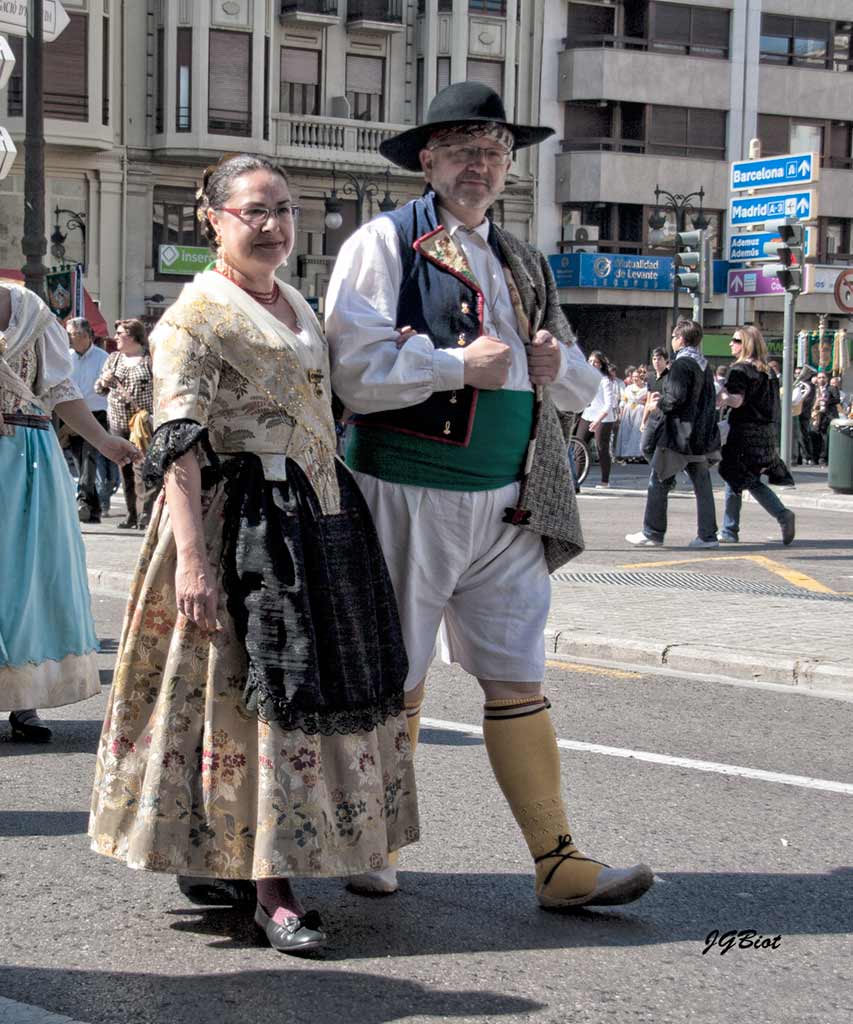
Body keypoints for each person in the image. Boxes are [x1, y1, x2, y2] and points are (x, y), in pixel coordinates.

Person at [326, 81, 654, 911]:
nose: (479, 163)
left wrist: (559, 370)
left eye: (494, 150)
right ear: (427, 159)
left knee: (516, 674)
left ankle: (558, 860)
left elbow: (586, 391)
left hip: (513, 499)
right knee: (394, 675)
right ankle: (376, 838)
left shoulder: (522, 259)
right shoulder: (383, 242)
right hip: (406, 485)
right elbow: (351, 368)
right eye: (462, 149)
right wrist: (452, 366)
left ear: (508, 165)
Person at [88, 154, 418, 956]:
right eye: (253, 212)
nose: (272, 225)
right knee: (260, 695)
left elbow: (309, 396)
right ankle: (273, 889)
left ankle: (230, 858)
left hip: (317, 517)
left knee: (300, 687)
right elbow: (178, 444)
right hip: (241, 527)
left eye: (283, 208)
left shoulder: (294, 301)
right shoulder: (193, 318)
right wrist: (195, 565)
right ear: (213, 218)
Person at [1, 281, 138, 743]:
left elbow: (59, 390)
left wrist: (103, 441)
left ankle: (24, 696)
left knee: (27, 579)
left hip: (25, 456)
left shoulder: (29, 310)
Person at [626, 319, 721, 549]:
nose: (672, 340)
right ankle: (708, 536)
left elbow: (676, 398)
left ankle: (653, 532)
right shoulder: (704, 365)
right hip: (697, 434)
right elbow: (710, 401)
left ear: (680, 338)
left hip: (677, 434)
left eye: (674, 336)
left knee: (658, 479)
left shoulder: (681, 364)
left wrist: (660, 404)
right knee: (702, 484)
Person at [717, 326, 795, 545]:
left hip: (743, 433)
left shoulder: (739, 370)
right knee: (741, 479)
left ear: (746, 344)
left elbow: (737, 401)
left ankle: (780, 514)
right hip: (765, 434)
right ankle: (729, 529)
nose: (730, 344)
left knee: (740, 477)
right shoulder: (768, 372)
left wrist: (723, 394)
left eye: (735, 340)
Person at [95, 318, 157, 529]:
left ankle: (145, 514)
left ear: (133, 337)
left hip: (142, 424)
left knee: (143, 468)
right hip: (118, 422)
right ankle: (131, 514)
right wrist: (104, 381)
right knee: (126, 470)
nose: (116, 337)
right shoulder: (113, 359)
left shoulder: (149, 359)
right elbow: (99, 389)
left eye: (120, 333)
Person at [67, 317, 109, 523]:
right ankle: (94, 510)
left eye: (71, 335)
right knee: (78, 459)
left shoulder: (102, 357)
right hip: (73, 415)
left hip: (97, 414)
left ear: (84, 335)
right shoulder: (66, 358)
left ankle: (83, 500)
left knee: (89, 458)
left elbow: (104, 388)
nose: (69, 339)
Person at [575, 350, 619, 487]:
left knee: (602, 448)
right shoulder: (585, 378)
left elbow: (608, 405)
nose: (592, 364)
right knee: (578, 447)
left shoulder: (605, 380)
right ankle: (575, 481)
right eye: (590, 361)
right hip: (587, 415)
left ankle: (605, 481)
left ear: (600, 365)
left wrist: (597, 421)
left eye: (595, 362)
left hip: (603, 418)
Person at [614, 366, 648, 462]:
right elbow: (623, 401)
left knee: (637, 433)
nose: (635, 378)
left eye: (637, 376)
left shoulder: (646, 388)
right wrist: (620, 413)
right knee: (626, 432)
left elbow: (648, 401)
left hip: (640, 411)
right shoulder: (628, 388)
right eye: (633, 376)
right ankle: (625, 454)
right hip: (628, 411)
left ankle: (637, 454)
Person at [809, 371, 842, 464]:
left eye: (823, 377)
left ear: (827, 379)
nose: (821, 379)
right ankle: (814, 456)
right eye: (819, 378)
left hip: (828, 415)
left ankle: (823, 457)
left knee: (825, 437)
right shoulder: (814, 389)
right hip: (816, 415)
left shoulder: (832, 388)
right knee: (814, 435)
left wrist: (826, 400)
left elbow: (837, 399)